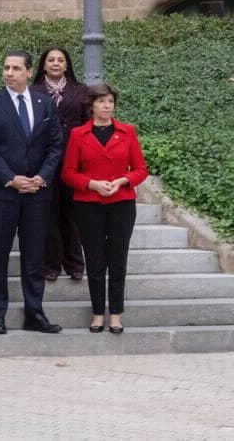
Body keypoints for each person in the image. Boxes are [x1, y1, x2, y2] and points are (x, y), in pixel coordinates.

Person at [0, 50, 65, 335]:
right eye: (6, 68)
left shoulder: (45, 104)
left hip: (37, 193)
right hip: (2, 193)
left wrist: (41, 177)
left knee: (34, 256)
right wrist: (10, 178)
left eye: (15, 68)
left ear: (29, 72)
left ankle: (34, 313)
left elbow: (56, 146)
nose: (9, 73)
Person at [62, 83, 149, 335]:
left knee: (118, 260)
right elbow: (68, 173)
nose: (106, 106)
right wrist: (92, 184)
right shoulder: (79, 134)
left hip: (121, 203)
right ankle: (98, 313)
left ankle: (117, 314)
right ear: (92, 106)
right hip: (89, 205)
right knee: (95, 260)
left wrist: (123, 180)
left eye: (110, 101)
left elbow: (141, 170)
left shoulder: (127, 132)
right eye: (101, 102)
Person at [37, 46, 88, 283]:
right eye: (51, 60)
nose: (56, 63)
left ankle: (75, 264)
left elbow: (89, 126)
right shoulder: (33, 91)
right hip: (45, 161)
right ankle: (51, 264)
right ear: (43, 65)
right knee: (48, 214)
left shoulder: (81, 91)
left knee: (73, 214)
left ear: (67, 65)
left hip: (73, 160)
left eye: (60, 60)